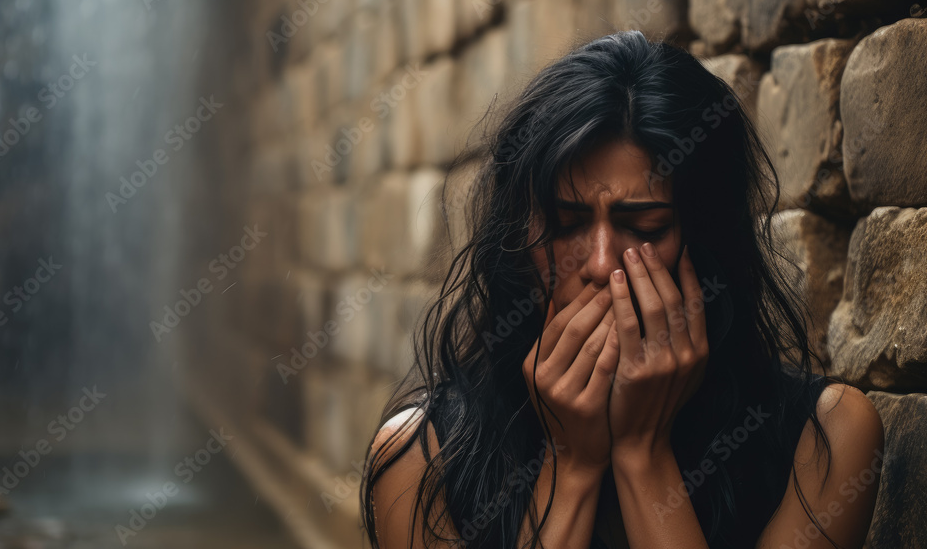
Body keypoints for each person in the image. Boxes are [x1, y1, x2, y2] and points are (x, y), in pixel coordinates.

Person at [359, 30, 883, 549]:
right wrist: (570, 464)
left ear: (703, 244)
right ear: (517, 243)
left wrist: (643, 453)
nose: (602, 263)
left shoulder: (826, 441)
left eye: (647, 227)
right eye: (564, 225)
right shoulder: (419, 462)